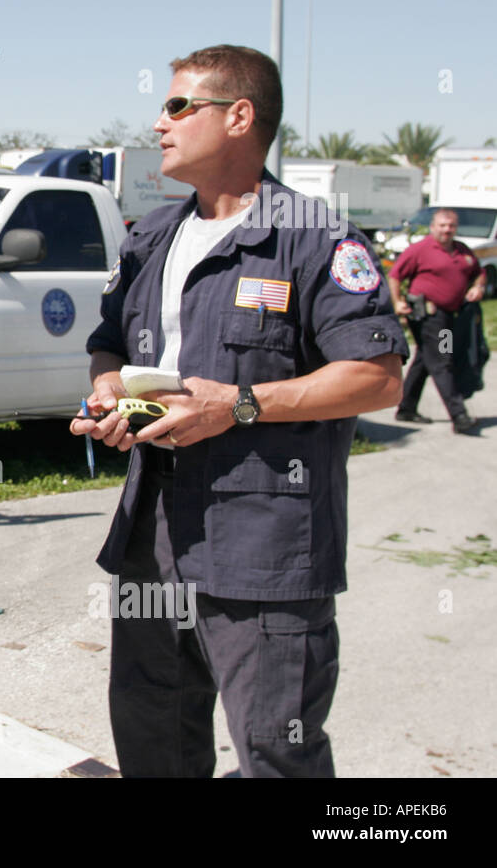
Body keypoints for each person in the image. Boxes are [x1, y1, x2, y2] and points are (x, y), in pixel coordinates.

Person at [71, 44, 406, 777]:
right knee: (152, 738)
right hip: (153, 539)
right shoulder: (152, 236)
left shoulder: (314, 235)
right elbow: (108, 345)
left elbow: (379, 379)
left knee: (273, 752)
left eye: (178, 106)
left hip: (263, 550)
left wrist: (242, 404)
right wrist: (109, 395)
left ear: (239, 117)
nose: (159, 123)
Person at [388, 208, 484, 433]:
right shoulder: (420, 250)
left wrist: (478, 287)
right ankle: (459, 416)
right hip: (428, 315)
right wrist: (397, 301)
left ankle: (406, 408)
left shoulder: (462, 251)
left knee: (425, 359)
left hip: (450, 316)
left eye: (450, 226)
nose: (446, 230)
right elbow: (395, 275)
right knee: (442, 360)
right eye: (442, 225)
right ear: (433, 227)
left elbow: (478, 272)